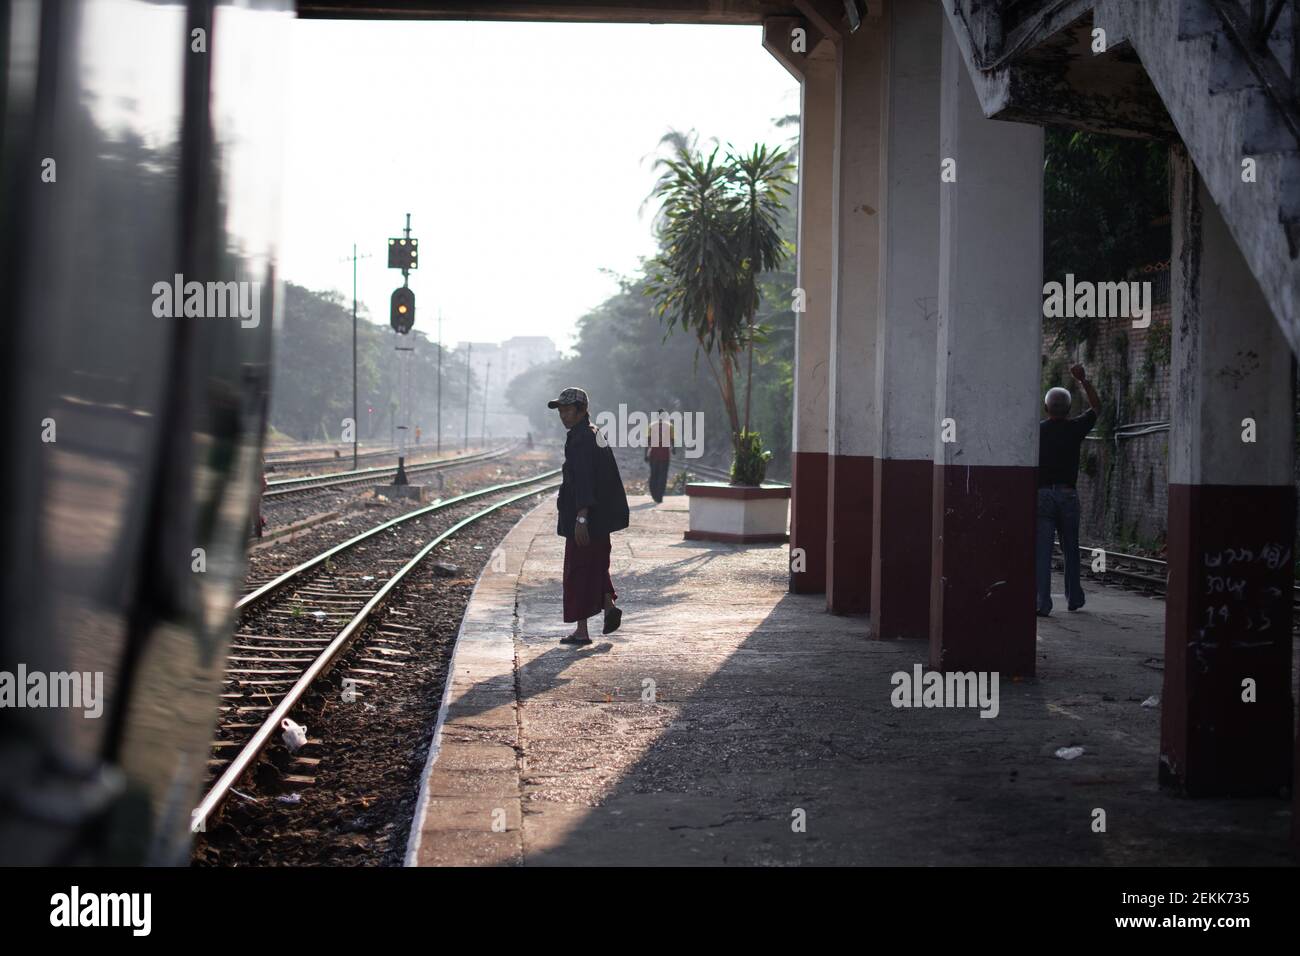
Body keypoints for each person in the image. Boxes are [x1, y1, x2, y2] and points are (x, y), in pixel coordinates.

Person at [549, 386, 629, 645]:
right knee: (596, 565)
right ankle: (608, 606)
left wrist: (581, 517)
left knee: (578, 571)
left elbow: (584, 480)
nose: (563, 415)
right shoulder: (595, 433)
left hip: (586, 520)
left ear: (582, 411)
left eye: (568, 410)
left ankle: (582, 631)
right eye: (561, 410)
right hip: (600, 520)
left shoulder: (581, 438)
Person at [1036, 363, 1101, 616]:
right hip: (1067, 495)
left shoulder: (1038, 431)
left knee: (1042, 551)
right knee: (1071, 548)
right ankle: (1074, 598)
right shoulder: (1075, 429)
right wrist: (1083, 380)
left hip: (1042, 496)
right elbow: (1097, 408)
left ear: (1046, 408)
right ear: (1069, 409)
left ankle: (1042, 603)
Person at [645, 408, 675, 503]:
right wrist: (674, 449)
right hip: (665, 455)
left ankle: (654, 494)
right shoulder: (670, 426)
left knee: (653, 475)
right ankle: (659, 496)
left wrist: (645, 454)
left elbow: (648, 442)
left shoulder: (651, 426)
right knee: (663, 476)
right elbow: (673, 441)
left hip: (654, 455)